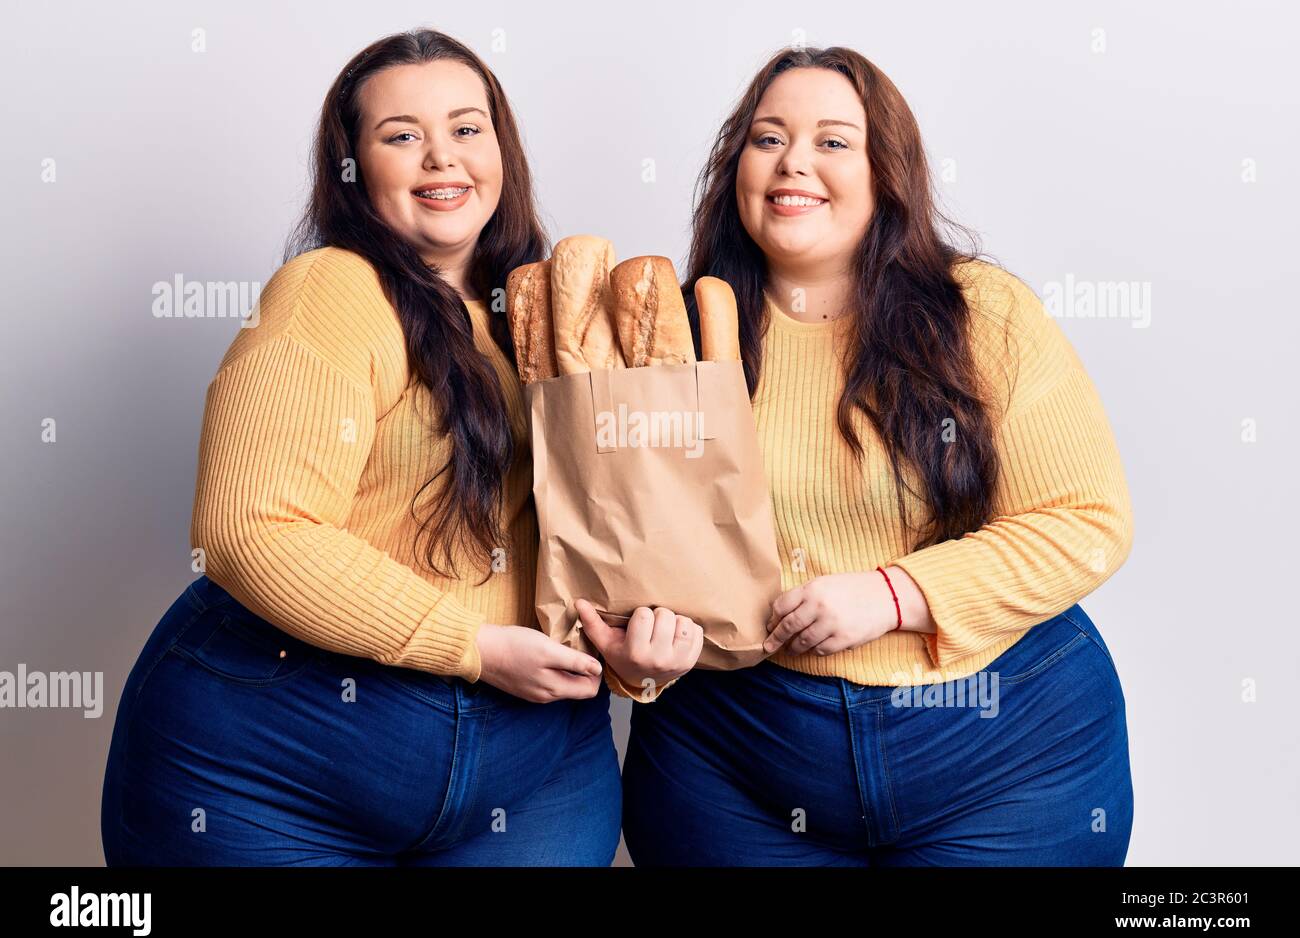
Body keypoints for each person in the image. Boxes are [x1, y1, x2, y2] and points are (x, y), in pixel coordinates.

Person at [100, 27, 696, 867]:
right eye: (401, 136)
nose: (440, 159)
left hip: (534, 772)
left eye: (465, 128)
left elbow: (601, 534)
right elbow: (248, 528)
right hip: (276, 768)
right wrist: (473, 646)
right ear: (352, 167)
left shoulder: (544, 315)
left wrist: (633, 655)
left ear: (501, 149)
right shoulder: (330, 292)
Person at [612, 45, 1136, 865]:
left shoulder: (981, 314)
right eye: (767, 138)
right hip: (734, 761)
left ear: (887, 172)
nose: (794, 164)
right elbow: (625, 551)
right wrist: (633, 658)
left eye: (832, 141)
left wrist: (895, 595)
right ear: (735, 168)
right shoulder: (672, 334)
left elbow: (1088, 522)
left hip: (1003, 750)